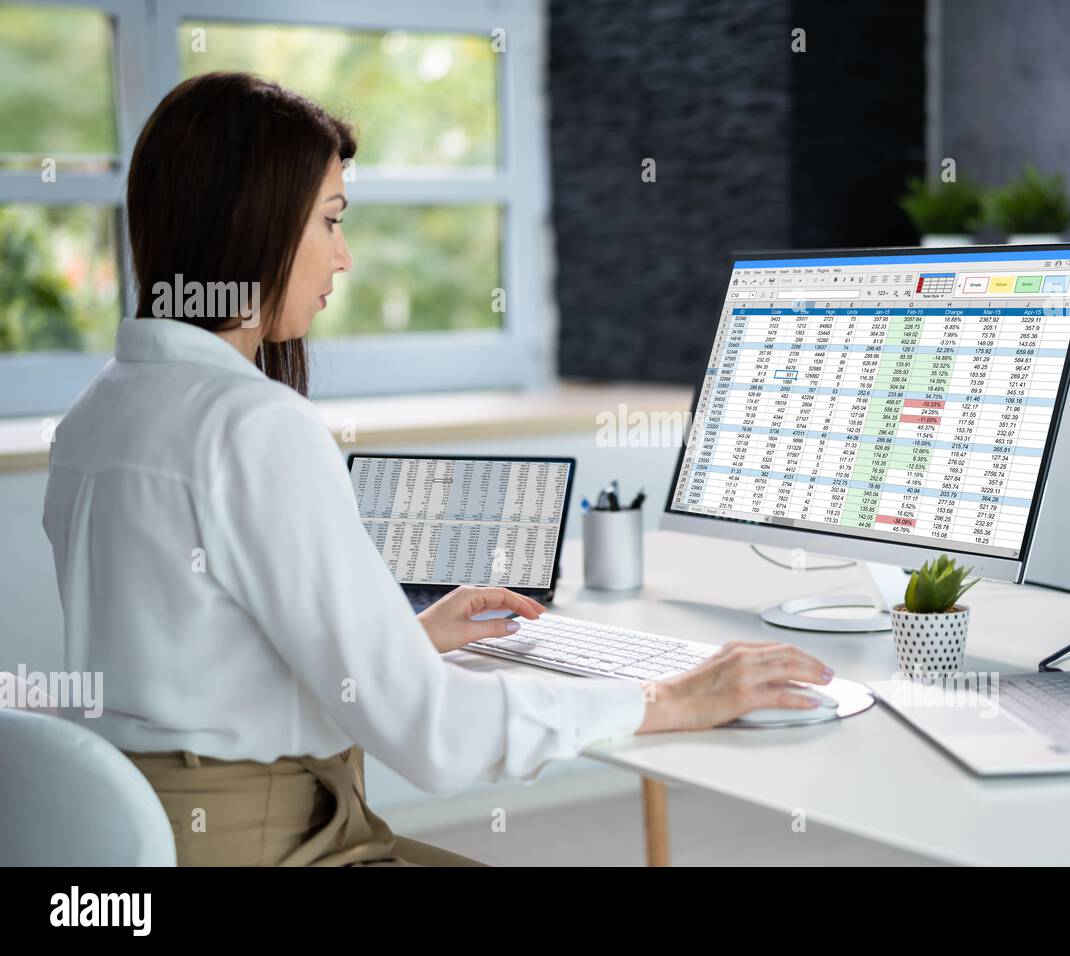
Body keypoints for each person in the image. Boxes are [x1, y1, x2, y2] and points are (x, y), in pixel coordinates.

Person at [41, 72, 833, 867]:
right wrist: (662, 697)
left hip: (143, 840)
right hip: (267, 845)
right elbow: (437, 737)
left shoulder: (99, 413)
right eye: (329, 222)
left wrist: (400, 642)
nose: (343, 258)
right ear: (254, 226)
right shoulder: (255, 426)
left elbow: (201, 670)